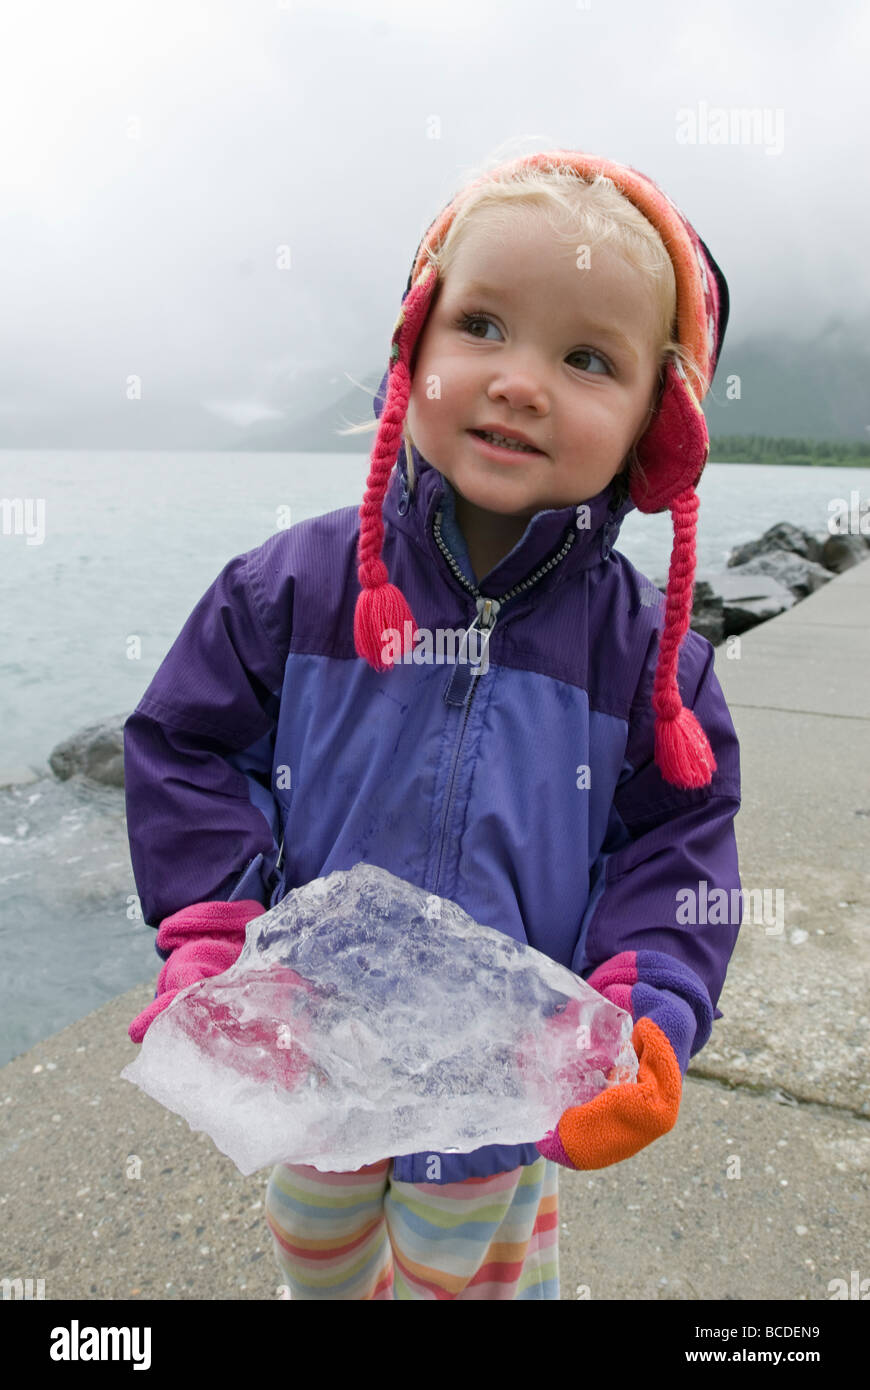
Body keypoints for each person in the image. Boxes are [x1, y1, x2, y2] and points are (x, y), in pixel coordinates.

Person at [123, 147, 742, 1301]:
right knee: (318, 1256)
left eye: (588, 358)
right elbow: (187, 747)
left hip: (499, 1080)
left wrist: (643, 1001)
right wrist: (214, 931)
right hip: (312, 1055)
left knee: (478, 1280)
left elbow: (679, 847)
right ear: (417, 341)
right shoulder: (291, 588)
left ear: (659, 421)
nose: (520, 381)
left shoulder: (649, 659)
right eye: (484, 327)